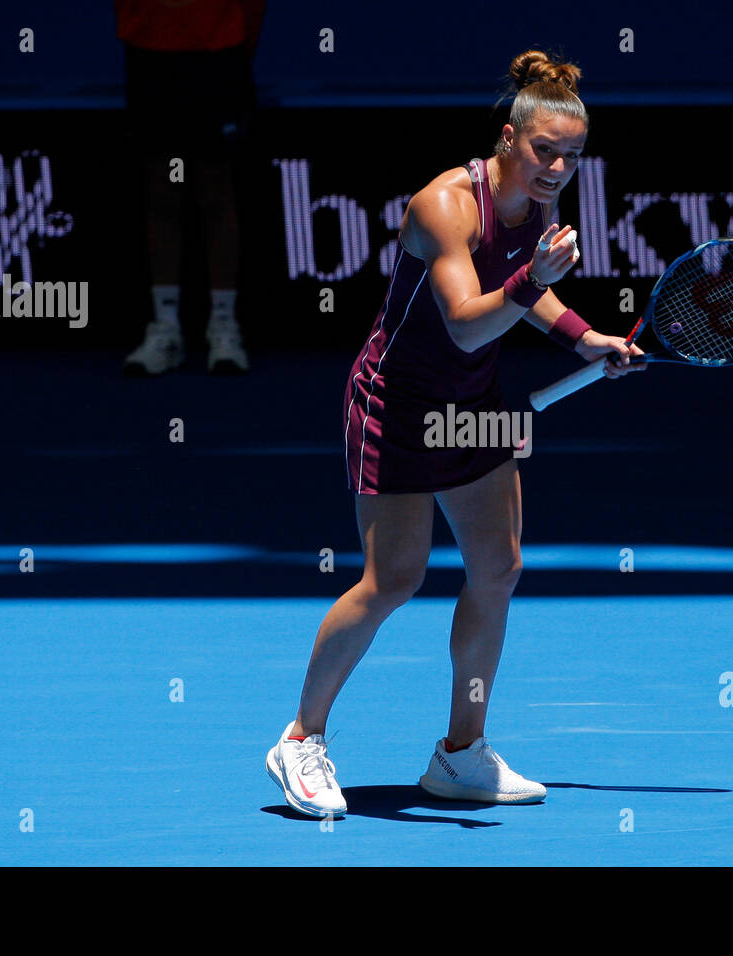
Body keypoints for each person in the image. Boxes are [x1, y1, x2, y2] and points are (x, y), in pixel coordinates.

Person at [266, 49, 644, 817]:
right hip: (396, 405)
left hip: (472, 405)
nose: (558, 169)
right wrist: (536, 280)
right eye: (545, 151)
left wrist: (582, 337)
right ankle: (300, 739)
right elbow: (471, 324)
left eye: (572, 158)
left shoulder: (537, 207)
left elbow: (518, 301)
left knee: (498, 569)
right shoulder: (443, 206)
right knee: (393, 579)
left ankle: (460, 753)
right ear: (508, 139)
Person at [116, 0, 266, 375]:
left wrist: (234, 42)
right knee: (162, 189)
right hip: (150, 51)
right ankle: (166, 328)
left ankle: (223, 326)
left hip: (218, 51)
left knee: (217, 189)